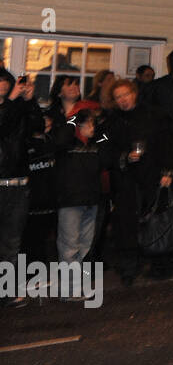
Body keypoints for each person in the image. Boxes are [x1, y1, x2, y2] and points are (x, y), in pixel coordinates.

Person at [100, 79, 173, 284]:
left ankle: (160, 265)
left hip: (153, 177)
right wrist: (124, 157)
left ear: (134, 93)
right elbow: (104, 150)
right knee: (126, 225)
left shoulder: (155, 115)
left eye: (125, 94)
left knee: (156, 220)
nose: (123, 100)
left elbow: (169, 144)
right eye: (118, 97)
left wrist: (169, 172)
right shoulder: (111, 122)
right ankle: (129, 268)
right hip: (126, 181)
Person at [1, 71, 44, 305]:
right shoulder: (8, 108)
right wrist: (11, 101)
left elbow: (37, 127)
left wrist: (29, 101)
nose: (5, 85)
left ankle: (6, 293)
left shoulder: (17, 108)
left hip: (18, 185)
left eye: (7, 82)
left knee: (12, 242)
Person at [52, 101, 105, 271]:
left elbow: (109, 147)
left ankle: (76, 282)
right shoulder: (67, 144)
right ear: (79, 125)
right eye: (89, 122)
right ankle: (69, 289)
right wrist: (74, 117)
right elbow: (59, 139)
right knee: (69, 247)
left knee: (85, 245)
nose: (93, 126)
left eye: (93, 122)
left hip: (91, 200)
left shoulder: (96, 144)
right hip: (71, 201)